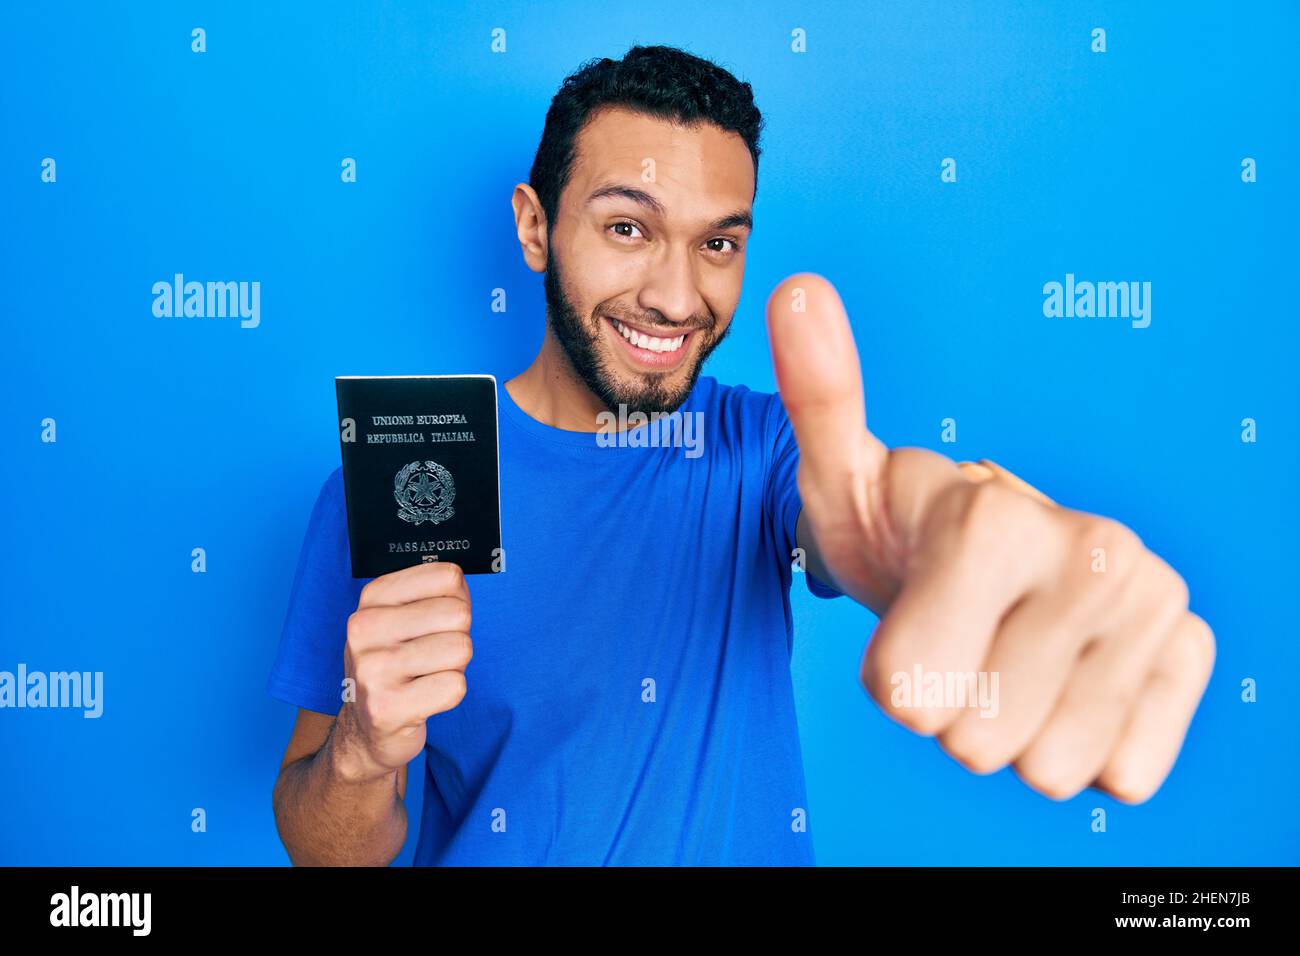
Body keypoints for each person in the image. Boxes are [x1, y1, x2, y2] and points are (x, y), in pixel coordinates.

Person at [267, 45, 1214, 866]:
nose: (678, 299)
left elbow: (862, 510)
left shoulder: (757, 448)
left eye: (717, 242)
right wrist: (361, 751)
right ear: (534, 228)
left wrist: (940, 537)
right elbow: (323, 848)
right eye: (628, 229)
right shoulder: (397, 483)